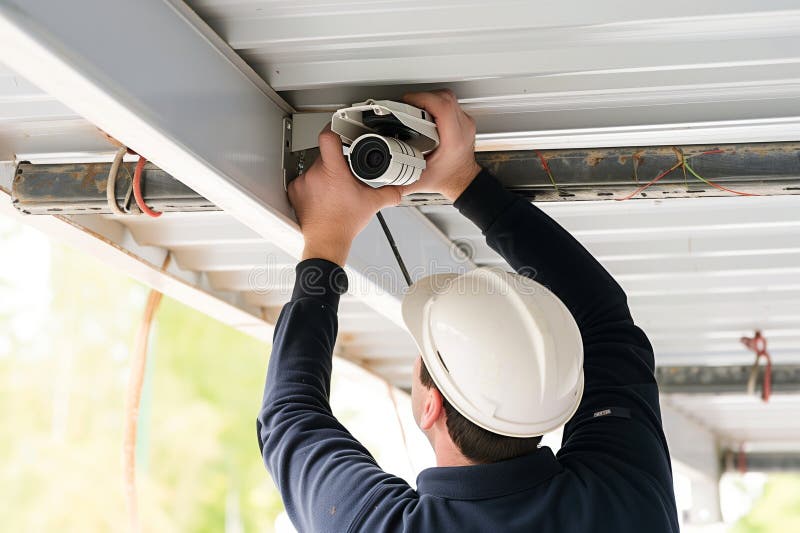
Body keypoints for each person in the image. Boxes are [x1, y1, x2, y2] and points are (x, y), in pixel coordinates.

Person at [257, 90, 679, 532]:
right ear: (429, 407)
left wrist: (462, 179)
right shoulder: (624, 497)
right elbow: (289, 417)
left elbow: (601, 317)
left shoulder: (628, 504)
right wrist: (326, 241)